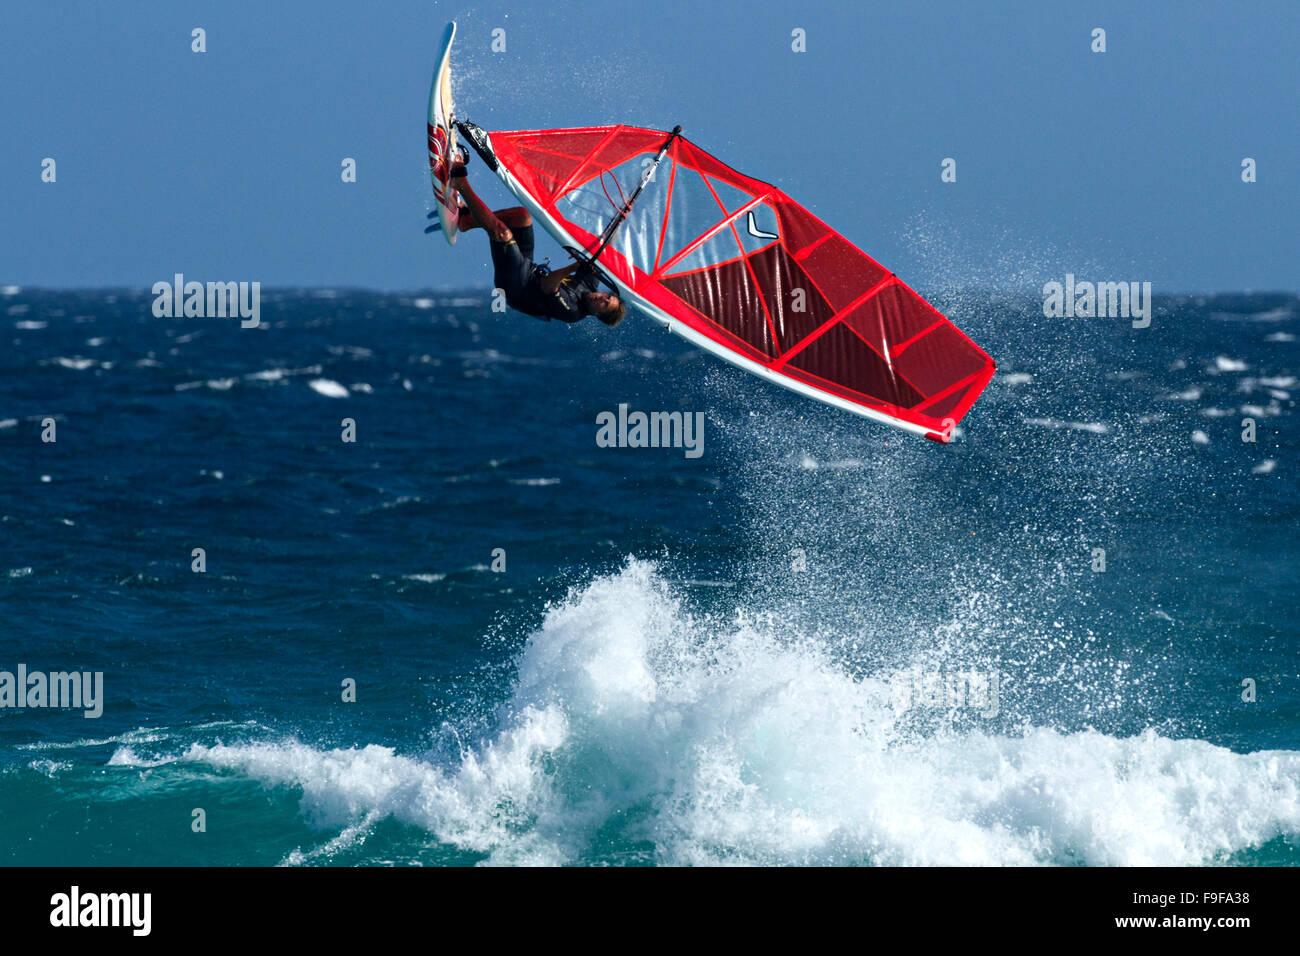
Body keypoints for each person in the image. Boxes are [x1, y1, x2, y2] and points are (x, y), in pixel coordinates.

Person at [444, 162, 626, 326]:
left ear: (597, 314)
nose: (602, 299)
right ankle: (466, 222)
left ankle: (460, 183)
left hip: (517, 288)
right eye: (608, 297)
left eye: (604, 305)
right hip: (529, 268)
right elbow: (605, 249)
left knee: (502, 234)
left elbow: (548, 285)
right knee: (521, 217)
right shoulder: (590, 283)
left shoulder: (573, 312)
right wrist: (621, 216)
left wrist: (574, 266)